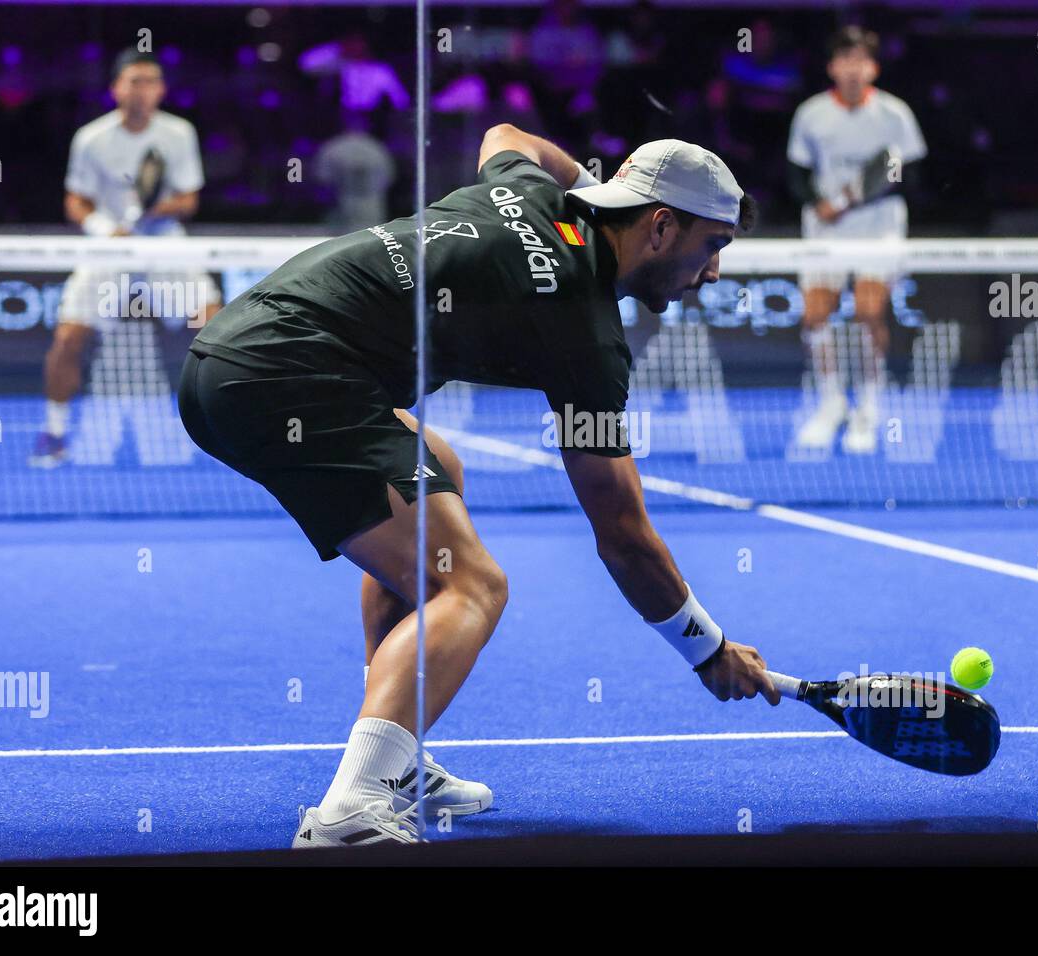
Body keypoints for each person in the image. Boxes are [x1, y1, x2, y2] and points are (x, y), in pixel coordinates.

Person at [178, 125, 772, 848]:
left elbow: (506, 132)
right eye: (712, 246)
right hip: (289, 375)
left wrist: (583, 189)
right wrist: (708, 650)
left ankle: (393, 752)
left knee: (438, 467)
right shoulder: (585, 342)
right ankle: (352, 808)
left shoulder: (526, 189)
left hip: (234, 351)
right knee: (473, 585)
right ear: (660, 225)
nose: (710, 273)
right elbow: (623, 536)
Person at [30, 49, 220, 467]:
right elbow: (76, 200)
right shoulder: (91, 138)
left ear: (162, 90)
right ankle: (55, 432)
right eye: (134, 80)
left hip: (163, 244)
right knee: (67, 338)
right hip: (108, 249)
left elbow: (187, 199)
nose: (142, 89)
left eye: (151, 81)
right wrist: (103, 227)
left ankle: (228, 429)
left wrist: (152, 212)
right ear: (116, 88)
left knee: (218, 332)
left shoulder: (179, 133)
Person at [786, 27, 926, 454]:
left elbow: (911, 177)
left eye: (861, 60)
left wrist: (852, 198)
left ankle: (868, 406)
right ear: (832, 67)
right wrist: (820, 203)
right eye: (844, 60)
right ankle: (831, 404)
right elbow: (796, 176)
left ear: (873, 68)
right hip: (825, 228)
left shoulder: (894, 115)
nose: (852, 69)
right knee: (814, 316)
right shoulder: (811, 114)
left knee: (868, 312)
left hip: (878, 225)